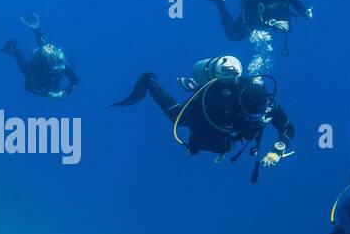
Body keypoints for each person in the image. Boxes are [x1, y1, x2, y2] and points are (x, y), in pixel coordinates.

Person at [110, 55, 296, 175]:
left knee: (187, 123)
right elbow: (180, 116)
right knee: (181, 120)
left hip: (227, 140)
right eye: (257, 112)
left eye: (262, 111)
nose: (261, 114)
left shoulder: (262, 100)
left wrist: (277, 150)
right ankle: (151, 83)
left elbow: (288, 127)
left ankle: (152, 84)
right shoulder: (212, 96)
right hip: (214, 134)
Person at [0, 14, 78, 100]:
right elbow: (28, 86)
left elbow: (75, 81)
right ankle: (13, 48)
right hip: (38, 65)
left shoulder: (61, 65)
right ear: (50, 64)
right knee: (26, 70)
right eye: (56, 69)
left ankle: (37, 29)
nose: (58, 71)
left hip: (45, 68)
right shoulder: (41, 65)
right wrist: (47, 94)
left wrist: (64, 93)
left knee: (42, 47)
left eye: (60, 69)